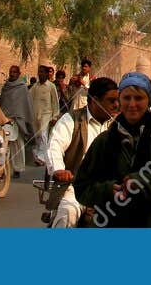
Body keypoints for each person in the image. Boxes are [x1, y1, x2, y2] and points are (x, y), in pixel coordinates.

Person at [75, 72, 151, 228]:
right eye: (126, 98)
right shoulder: (104, 141)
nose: (132, 104)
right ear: (119, 100)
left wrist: (144, 185)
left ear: (149, 101)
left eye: (138, 98)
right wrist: (107, 190)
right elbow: (82, 187)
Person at [46, 76, 118, 228]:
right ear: (95, 100)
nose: (116, 105)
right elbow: (55, 146)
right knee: (68, 213)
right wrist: (59, 170)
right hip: (76, 189)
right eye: (111, 101)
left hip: (109, 190)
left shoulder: (118, 125)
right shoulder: (71, 119)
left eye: (117, 100)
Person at [0, 64, 35, 176]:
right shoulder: (6, 87)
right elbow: (3, 103)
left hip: (18, 121)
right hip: (6, 120)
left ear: (19, 74)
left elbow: (25, 105)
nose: (12, 74)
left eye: (15, 72)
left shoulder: (22, 88)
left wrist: (20, 117)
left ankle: (18, 168)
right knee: (5, 145)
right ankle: (4, 168)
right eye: (11, 72)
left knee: (18, 145)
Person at [28, 65, 61, 164]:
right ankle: (40, 155)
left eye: (42, 72)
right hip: (35, 114)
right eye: (39, 72)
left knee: (43, 135)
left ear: (47, 74)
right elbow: (28, 98)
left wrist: (55, 116)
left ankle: (41, 157)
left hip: (46, 115)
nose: (40, 74)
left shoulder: (51, 86)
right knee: (37, 135)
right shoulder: (35, 86)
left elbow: (55, 102)